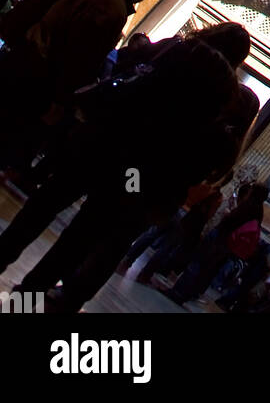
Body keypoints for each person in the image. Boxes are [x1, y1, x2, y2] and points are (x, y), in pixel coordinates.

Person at [10, 38, 240, 311]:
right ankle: (22, 302)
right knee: (75, 242)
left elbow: (126, 79)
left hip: (98, 148)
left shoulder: (179, 57)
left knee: (42, 210)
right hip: (131, 179)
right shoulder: (213, 100)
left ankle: (8, 265)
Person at [0, 0, 166, 166]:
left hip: (21, 55)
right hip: (39, 79)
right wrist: (60, 101)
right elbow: (80, 59)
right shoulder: (115, 11)